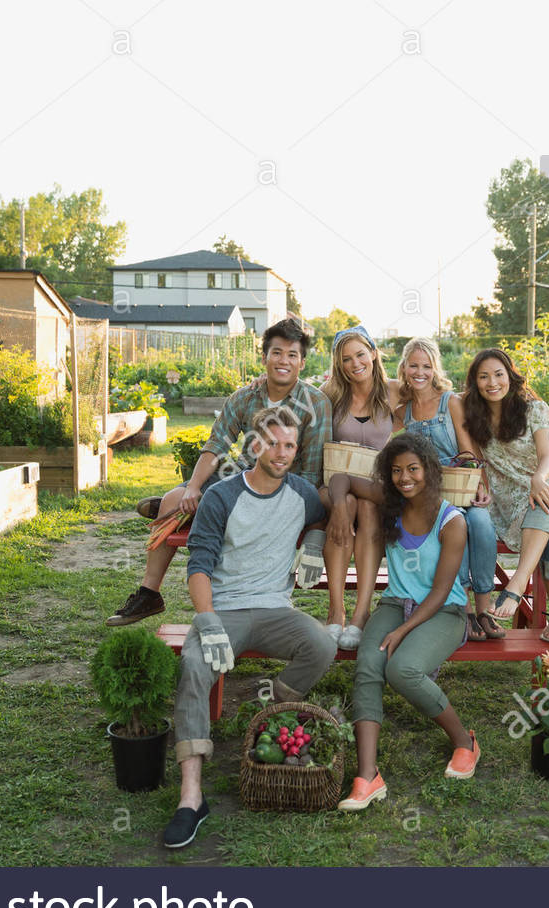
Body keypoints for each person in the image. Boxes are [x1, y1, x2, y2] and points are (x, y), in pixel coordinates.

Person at [163, 409, 335, 849]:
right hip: (226, 611)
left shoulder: (301, 493)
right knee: (195, 667)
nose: (282, 453)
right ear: (255, 446)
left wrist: (314, 542)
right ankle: (191, 796)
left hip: (277, 609)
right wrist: (207, 620)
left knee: (320, 644)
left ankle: (266, 715)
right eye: (273, 443)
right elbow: (198, 564)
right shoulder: (222, 496)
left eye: (290, 446)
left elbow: (323, 515)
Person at [108, 317, 333, 627]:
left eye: (292, 355)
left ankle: (199, 508)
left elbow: (310, 473)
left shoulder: (316, 403)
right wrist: (193, 488)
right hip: (239, 475)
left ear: (302, 362)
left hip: (284, 486)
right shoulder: (244, 397)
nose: (284, 361)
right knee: (173, 501)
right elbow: (215, 447)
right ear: (264, 357)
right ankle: (150, 593)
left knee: (206, 504)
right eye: (277, 353)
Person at [326, 433, 480, 812]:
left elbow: (442, 593)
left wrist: (403, 630)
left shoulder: (452, 522)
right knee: (368, 666)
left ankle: (465, 741)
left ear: (429, 470)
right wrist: (341, 510)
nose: (404, 477)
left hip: (444, 612)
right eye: (396, 471)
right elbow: (341, 480)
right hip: (396, 602)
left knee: (403, 670)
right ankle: (367, 776)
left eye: (413, 469)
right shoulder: (391, 501)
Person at [460, 348, 549, 641]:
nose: (492, 383)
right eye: (484, 376)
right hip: (516, 501)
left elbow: (547, 455)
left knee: (542, 499)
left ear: (510, 376)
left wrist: (539, 479)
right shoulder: (474, 414)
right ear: (475, 382)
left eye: (499, 374)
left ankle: (516, 583)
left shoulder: (533, 408)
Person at [391, 337, 503, 641]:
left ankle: (484, 607)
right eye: (413, 365)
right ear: (404, 368)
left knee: (479, 522)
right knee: (457, 526)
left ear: (434, 368)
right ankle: (462, 607)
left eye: (426, 366)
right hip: (429, 498)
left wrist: (481, 486)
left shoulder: (450, 401)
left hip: (460, 485)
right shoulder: (403, 412)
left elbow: (469, 452)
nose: (420, 372)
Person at [319, 325, 394, 650]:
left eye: (360, 355)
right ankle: (336, 610)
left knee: (365, 505)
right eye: (346, 359)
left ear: (373, 354)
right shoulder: (330, 394)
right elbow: (292, 398)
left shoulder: (394, 392)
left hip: (374, 491)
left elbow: (437, 395)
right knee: (348, 503)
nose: (355, 364)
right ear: (339, 364)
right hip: (334, 487)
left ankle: (361, 614)